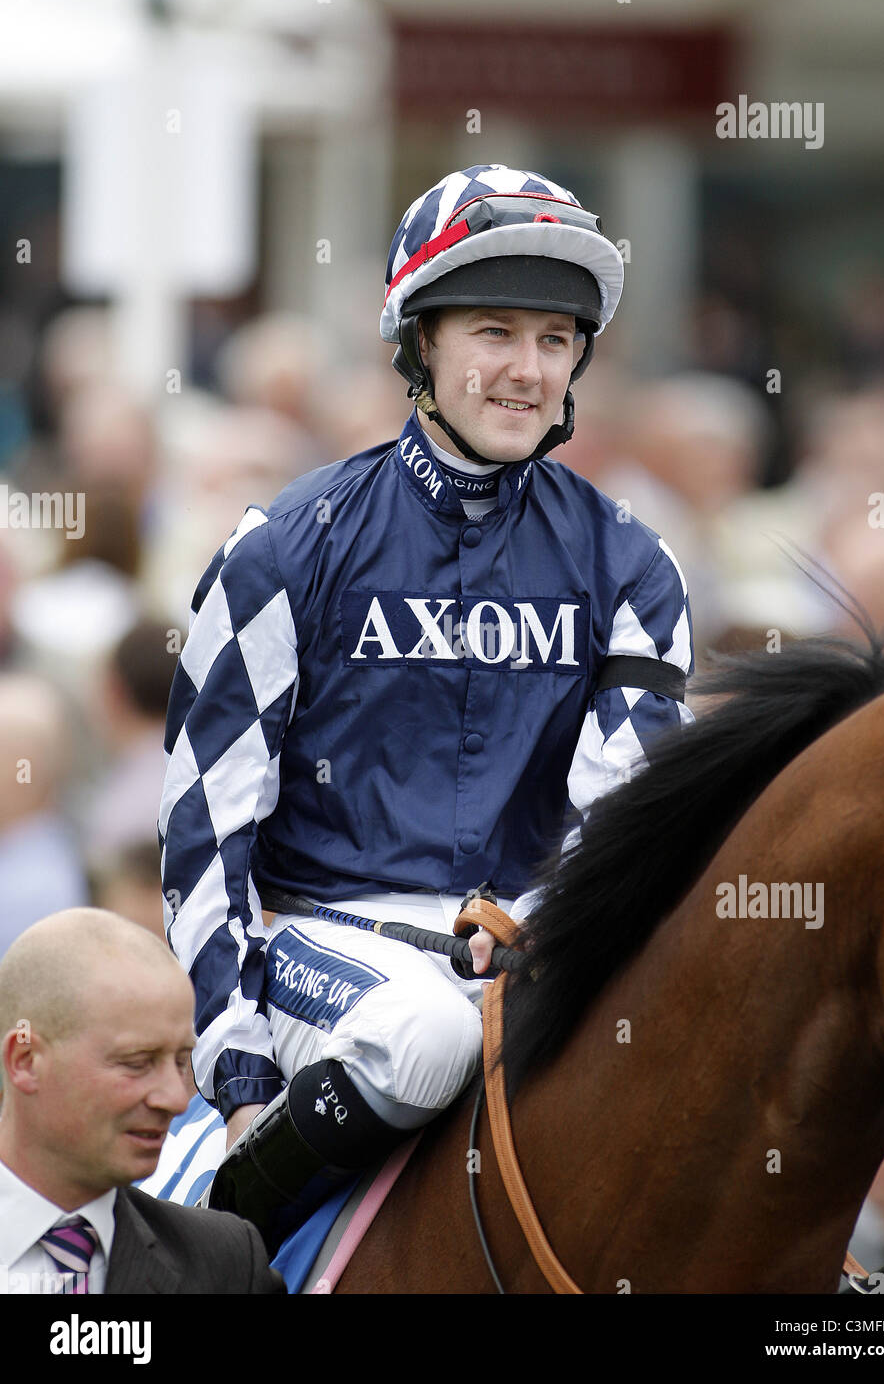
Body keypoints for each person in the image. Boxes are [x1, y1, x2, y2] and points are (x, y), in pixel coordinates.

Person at [159, 164, 694, 1239]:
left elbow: (622, 825)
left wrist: (534, 933)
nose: (526, 370)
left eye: (553, 339)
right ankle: (220, 1239)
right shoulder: (279, 548)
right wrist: (233, 1057)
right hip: (323, 942)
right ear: (419, 344)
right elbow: (204, 829)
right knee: (422, 1037)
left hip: (529, 953)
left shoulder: (634, 565)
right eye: (492, 331)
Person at [0, 908, 284, 1293]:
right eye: (136, 1063)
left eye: (181, 1062)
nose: (174, 1100)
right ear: (26, 1062)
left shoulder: (227, 1265)